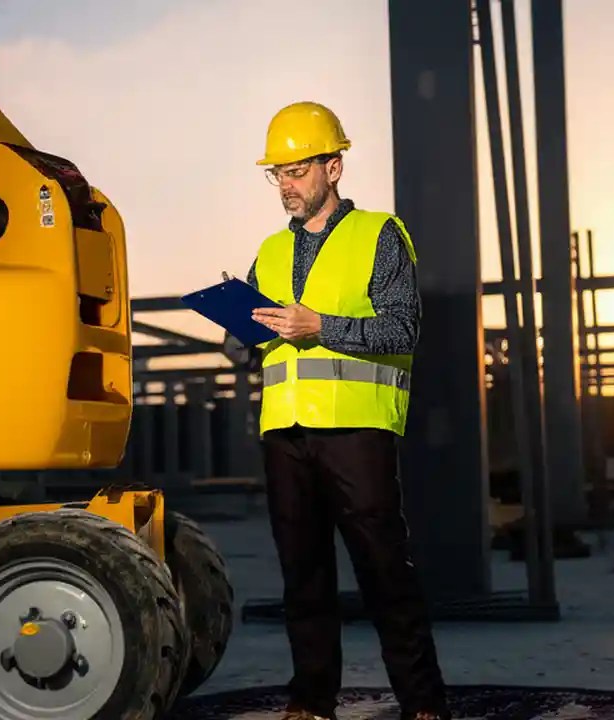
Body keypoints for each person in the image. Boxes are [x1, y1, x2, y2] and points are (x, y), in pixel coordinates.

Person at [226, 101, 450, 720]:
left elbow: (403, 329)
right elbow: (245, 345)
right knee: (303, 576)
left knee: (385, 572)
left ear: (335, 167)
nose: (286, 186)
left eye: (297, 170)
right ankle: (311, 702)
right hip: (285, 433)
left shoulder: (378, 235)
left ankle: (424, 704)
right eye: (278, 173)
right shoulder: (269, 252)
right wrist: (237, 323)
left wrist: (320, 326)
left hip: (357, 429)